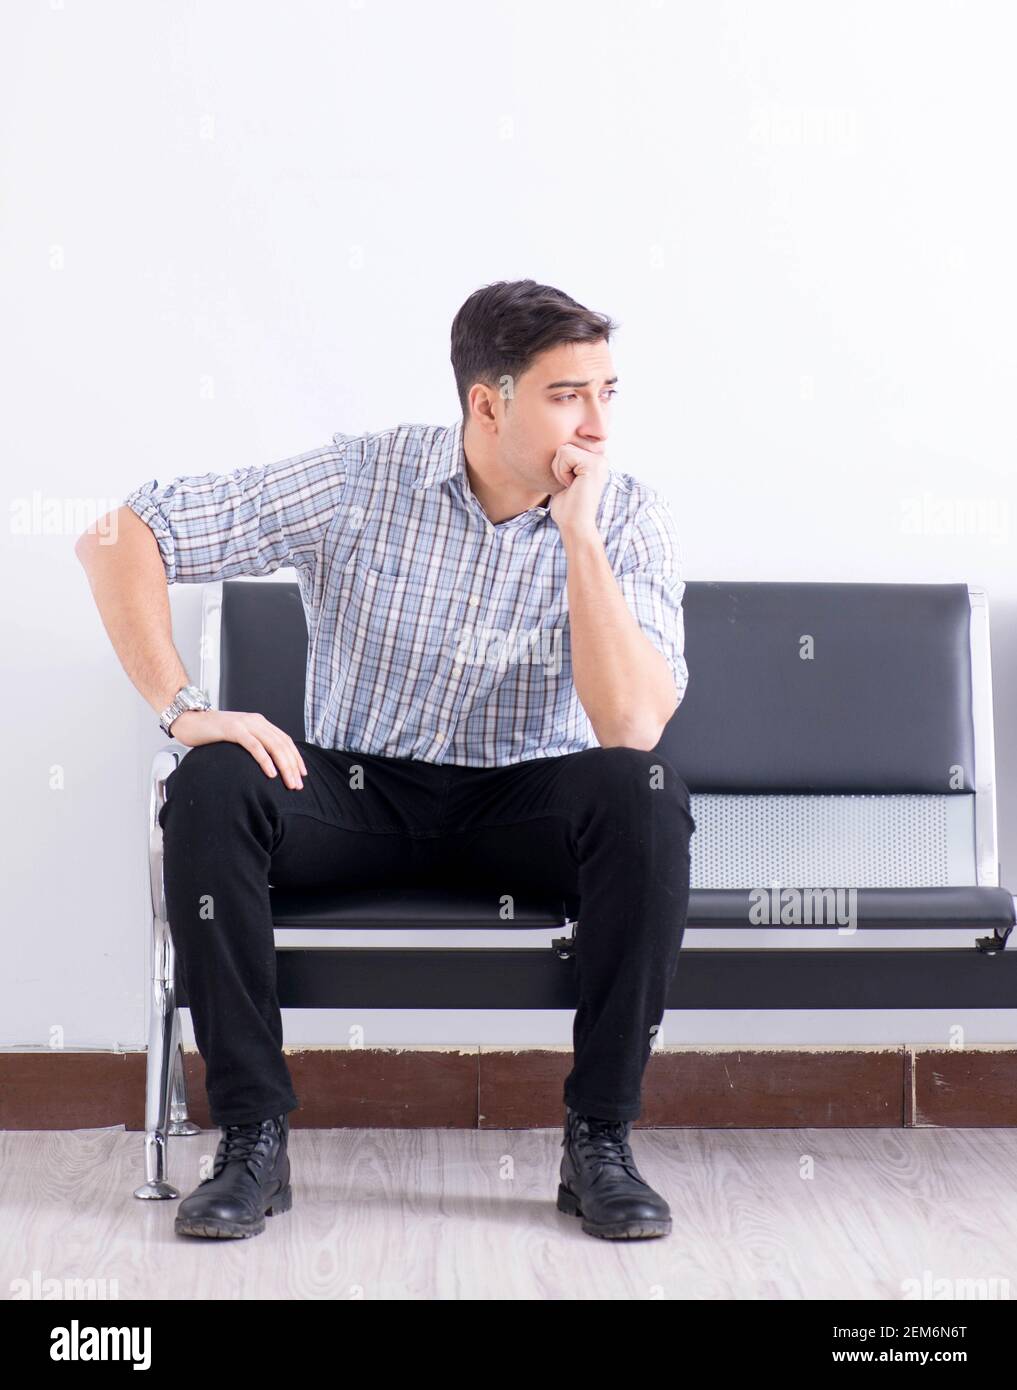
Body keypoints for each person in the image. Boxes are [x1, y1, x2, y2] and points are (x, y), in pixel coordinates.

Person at [75, 278, 696, 1242]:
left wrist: (579, 545)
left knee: (643, 789)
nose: (598, 425)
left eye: (607, 393)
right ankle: (250, 1142)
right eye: (568, 395)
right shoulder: (363, 478)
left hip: (519, 806)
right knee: (212, 778)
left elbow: (633, 724)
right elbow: (120, 533)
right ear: (487, 403)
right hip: (359, 798)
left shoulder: (625, 518)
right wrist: (185, 708)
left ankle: (599, 1142)